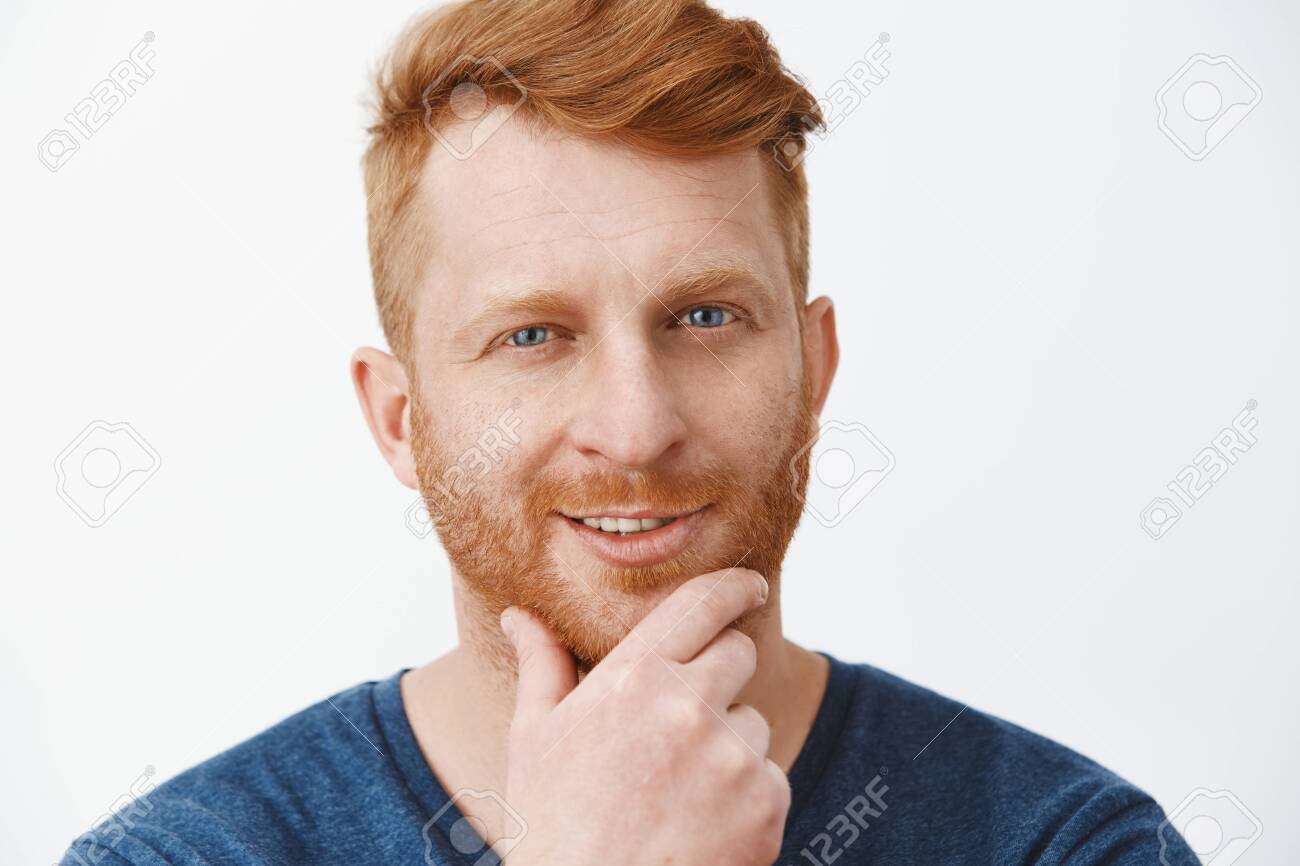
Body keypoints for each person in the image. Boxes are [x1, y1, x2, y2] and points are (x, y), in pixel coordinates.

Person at [61, 1, 1197, 863]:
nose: (637, 428)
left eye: (705, 317)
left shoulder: (1070, 844)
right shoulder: (181, 856)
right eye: (532, 336)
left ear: (814, 369)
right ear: (399, 420)